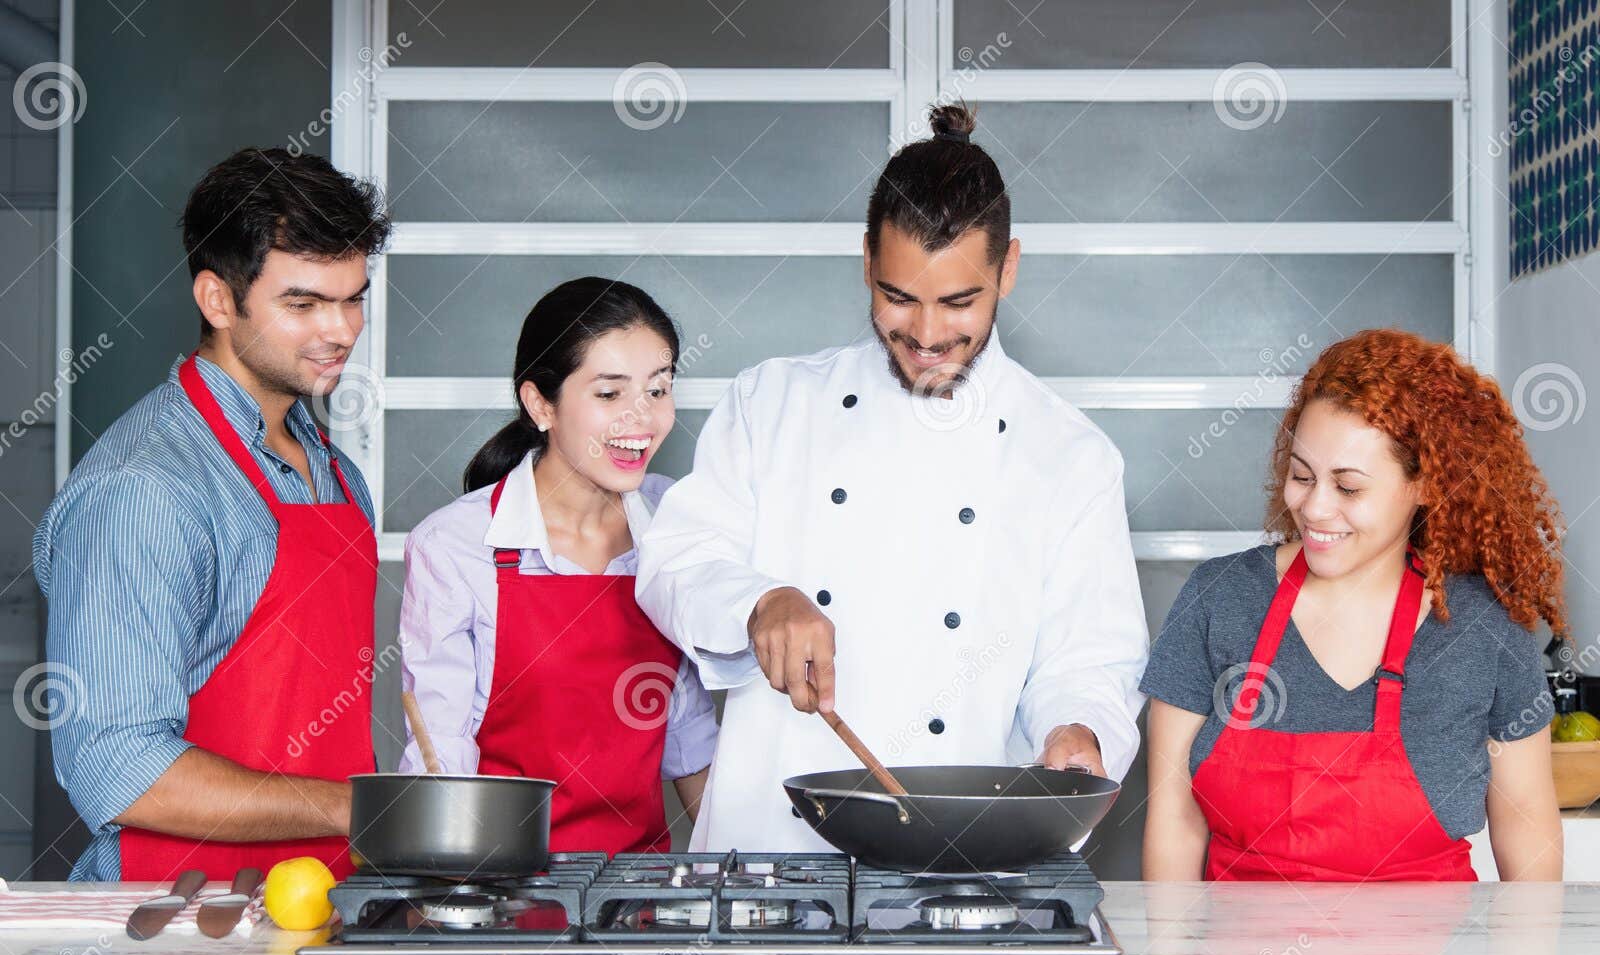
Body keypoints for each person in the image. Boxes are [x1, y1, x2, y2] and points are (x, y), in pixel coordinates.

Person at [635, 104, 1149, 854]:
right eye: (899, 298)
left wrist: (1079, 730)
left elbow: (1089, 656)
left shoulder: (1071, 455)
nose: (928, 335)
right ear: (866, 263)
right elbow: (675, 564)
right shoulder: (772, 403)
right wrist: (758, 602)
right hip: (774, 846)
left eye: (959, 302)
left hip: (961, 851)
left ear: (1008, 269)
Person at [34, 147, 391, 881]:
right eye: (303, 305)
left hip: (323, 902)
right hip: (175, 915)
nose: (341, 330)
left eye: (353, 298)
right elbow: (119, 767)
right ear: (218, 301)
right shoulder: (144, 489)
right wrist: (362, 809)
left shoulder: (335, 472)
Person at [1141, 328, 1565, 882]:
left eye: (1348, 488)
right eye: (1302, 475)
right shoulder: (1219, 598)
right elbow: (1175, 821)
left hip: (1438, 940)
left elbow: (1526, 823)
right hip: (1237, 939)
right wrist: (1170, 940)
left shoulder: (1484, 626)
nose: (1314, 507)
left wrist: (1531, 942)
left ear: (1425, 486)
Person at [399, 278, 716, 854]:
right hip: (498, 884)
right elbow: (440, 757)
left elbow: (689, 741)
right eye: (609, 394)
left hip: (638, 892)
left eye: (658, 389)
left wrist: (753, 876)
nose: (641, 418)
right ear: (540, 404)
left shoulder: (672, 524)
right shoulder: (454, 546)